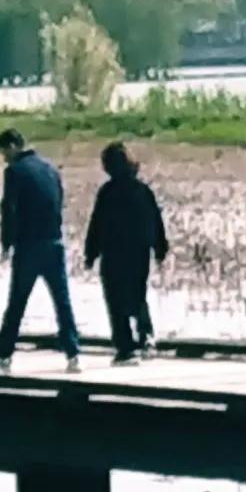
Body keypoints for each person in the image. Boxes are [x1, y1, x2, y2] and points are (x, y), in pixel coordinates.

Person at [0, 126, 81, 369]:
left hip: (29, 245)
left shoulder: (14, 172)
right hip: (54, 241)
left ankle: (3, 354)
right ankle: (73, 355)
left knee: (17, 301)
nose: (4, 159)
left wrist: (6, 243)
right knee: (62, 301)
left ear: (12, 147)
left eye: (3, 153)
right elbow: (58, 200)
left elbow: (9, 210)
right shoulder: (51, 168)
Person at [83, 138, 170, 365]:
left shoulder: (107, 192)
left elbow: (97, 225)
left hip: (114, 255)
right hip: (138, 254)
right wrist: (160, 249)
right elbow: (155, 222)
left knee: (115, 301)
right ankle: (146, 338)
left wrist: (90, 254)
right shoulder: (142, 190)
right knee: (137, 296)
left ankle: (125, 349)